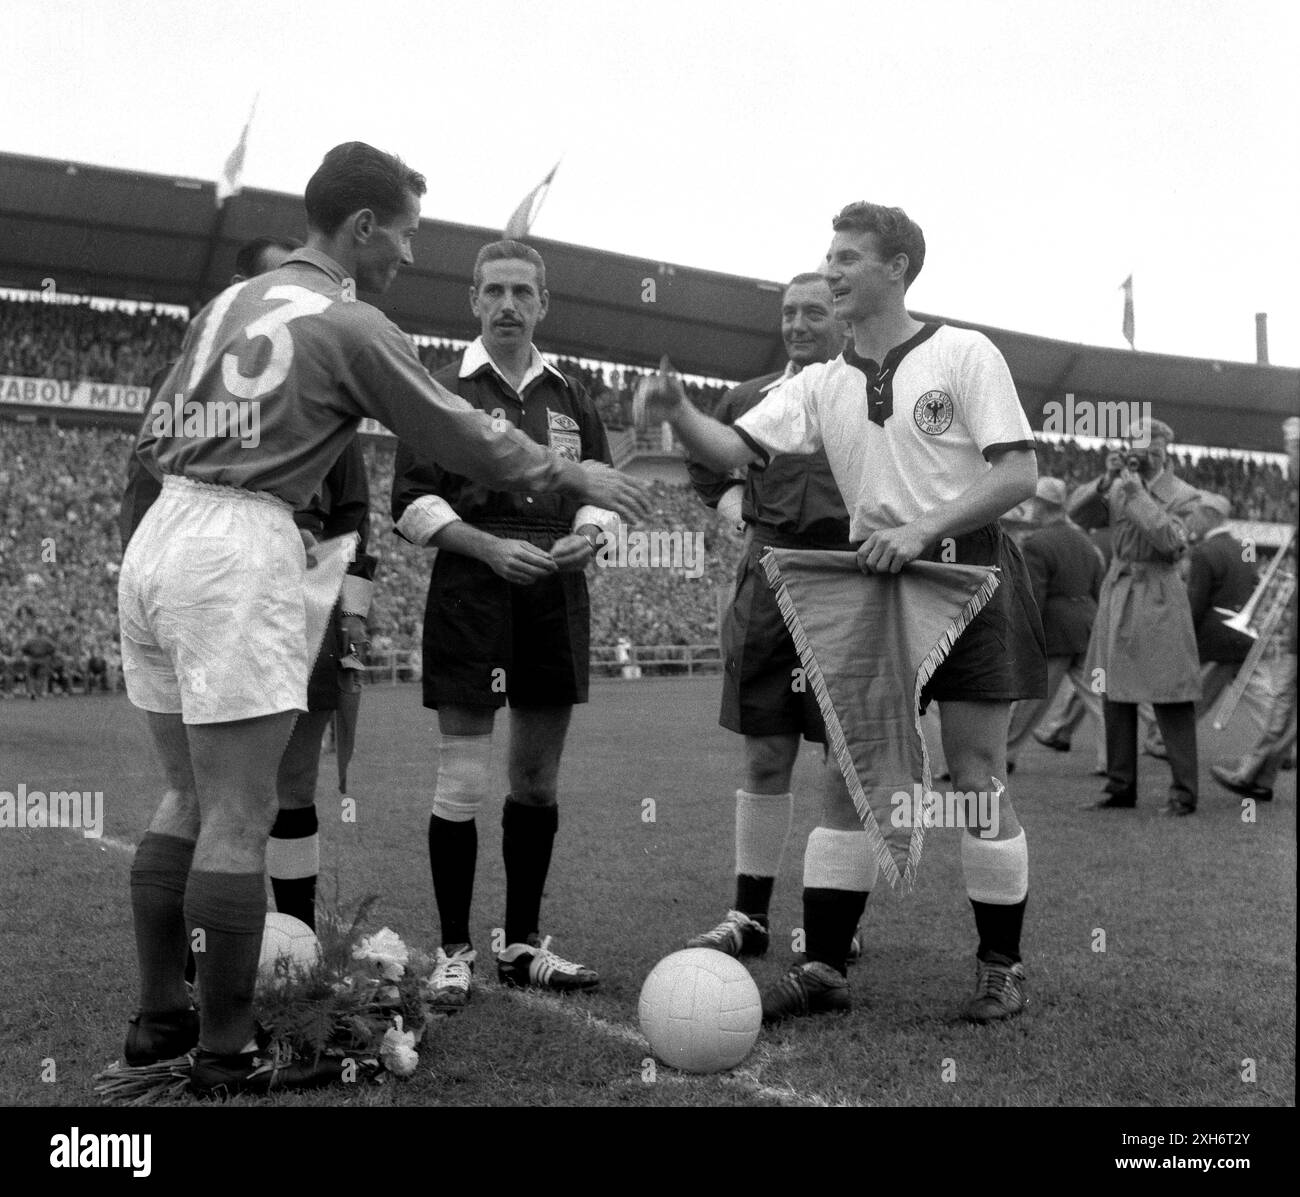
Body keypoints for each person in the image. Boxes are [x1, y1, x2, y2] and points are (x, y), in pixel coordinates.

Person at [117, 143, 648, 1097]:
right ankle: (227, 1049)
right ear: (362, 227)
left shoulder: (222, 308)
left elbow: (150, 437)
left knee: (185, 801)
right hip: (241, 538)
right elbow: (452, 430)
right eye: (403, 234)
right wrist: (570, 472)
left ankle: (161, 1014)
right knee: (240, 812)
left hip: (160, 532)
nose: (407, 255)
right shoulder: (353, 321)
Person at [638, 201, 1045, 1023]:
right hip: (872, 595)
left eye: (849, 257)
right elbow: (735, 454)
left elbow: (1019, 473)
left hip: (965, 581)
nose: (832, 270)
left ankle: (1001, 964)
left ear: (896, 268)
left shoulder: (964, 352)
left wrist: (923, 527)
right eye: (829, 256)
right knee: (845, 777)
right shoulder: (822, 383)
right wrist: (678, 412)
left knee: (973, 777)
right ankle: (824, 965)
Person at [120, 234, 374, 934]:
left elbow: (355, 511)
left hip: (308, 599)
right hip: (221, 587)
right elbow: (149, 495)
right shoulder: (192, 383)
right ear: (242, 292)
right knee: (218, 798)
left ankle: (295, 943)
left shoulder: (326, 377)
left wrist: (350, 608)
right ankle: (209, 975)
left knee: (291, 786)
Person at [391, 239, 617, 1010]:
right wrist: (487, 547)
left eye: (524, 291)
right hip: (471, 589)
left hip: (554, 590)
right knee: (462, 777)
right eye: (495, 290)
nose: (510, 304)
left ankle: (521, 944)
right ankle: (454, 951)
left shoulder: (573, 394)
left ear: (543, 304)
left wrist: (589, 534)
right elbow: (411, 501)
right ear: (474, 300)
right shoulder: (438, 388)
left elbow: (600, 492)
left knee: (535, 778)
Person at [682, 273, 853, 958]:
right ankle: (748, 916)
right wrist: (737, 513)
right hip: (768, 583)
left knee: (843, 762)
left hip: (848, 588)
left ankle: (838, 917)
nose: (799, 323)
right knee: (764, 753)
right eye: (789, 312)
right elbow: (707, 468)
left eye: (814, 310)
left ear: (843, 317)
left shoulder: (871, 399)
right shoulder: (751, 398)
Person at [1067, 420, 1202, 814]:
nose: (1142, 456)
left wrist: (1138, 495)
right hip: (1119, 592)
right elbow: (1077, 514)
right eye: (1136, 447)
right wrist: (1105, 480)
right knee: (1113, 692)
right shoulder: (1119, 484)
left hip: (1159, 594)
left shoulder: (1185, 495)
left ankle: (1183, 793)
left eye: (1150, 449)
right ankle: (1119, 786)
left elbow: (1173, 543)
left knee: (1170, 694)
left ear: (1163, 452)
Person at [1004, 477, 1104, 771]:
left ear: (1042, 506)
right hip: (1087, 626)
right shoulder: (1086, 541)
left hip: (1055, 631)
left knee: (1033, 698)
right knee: (1098, 699)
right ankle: (1112, 760)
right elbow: (1097, 588)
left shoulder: (1037, 543)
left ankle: (1006, 754)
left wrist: (1023, 635)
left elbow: (1033, 595)